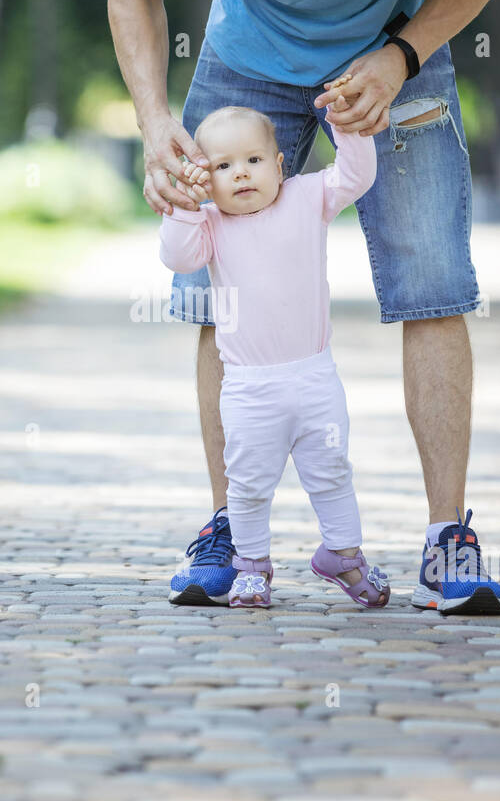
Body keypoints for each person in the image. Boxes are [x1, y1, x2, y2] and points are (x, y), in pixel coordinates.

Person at [108, 0, 500, 616]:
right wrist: (154, 126)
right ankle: (228, 529)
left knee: (432, 283)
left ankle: (449, 538)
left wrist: (400, 55)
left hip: (392, 53)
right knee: (213, 298)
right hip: (246, 64)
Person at [158, 102, 389, 610]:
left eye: (254, 160)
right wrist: (185, 205)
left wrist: (345, 125)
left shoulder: (306, 198)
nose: (240, 172)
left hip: (314, 376)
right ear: (208, 179)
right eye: (222, 166)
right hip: (248, 386)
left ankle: (344, 554)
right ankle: (252, 568)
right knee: (247, 484)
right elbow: (177, 257)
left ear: (281, 165)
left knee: (331, 470)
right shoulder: (211, 223)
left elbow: (357, 175)